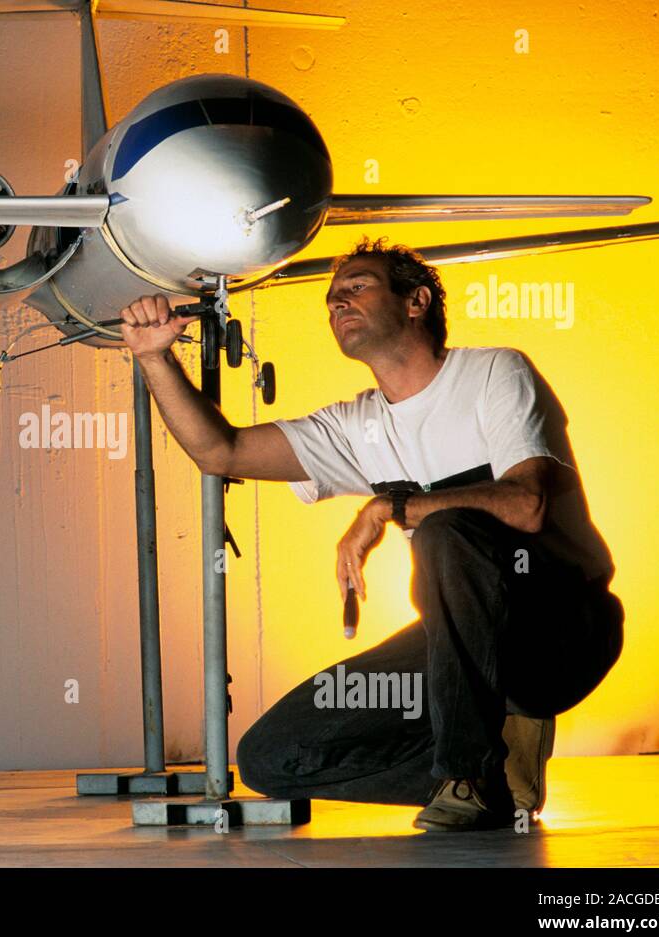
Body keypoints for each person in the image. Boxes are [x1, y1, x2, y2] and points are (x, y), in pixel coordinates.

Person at [118, 239, 624, 831]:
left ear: (416, 301)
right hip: (458, 649)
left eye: (357, 286)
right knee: (272, 757)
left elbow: (528, 504)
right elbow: (219, 450)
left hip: (558, 631)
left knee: (444, 534)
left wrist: (393, 505)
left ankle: (467, 770)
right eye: (331, 298)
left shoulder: (493, 372)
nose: (338, 302)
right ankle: (480, 777)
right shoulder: (356, 426)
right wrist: (154, 358)